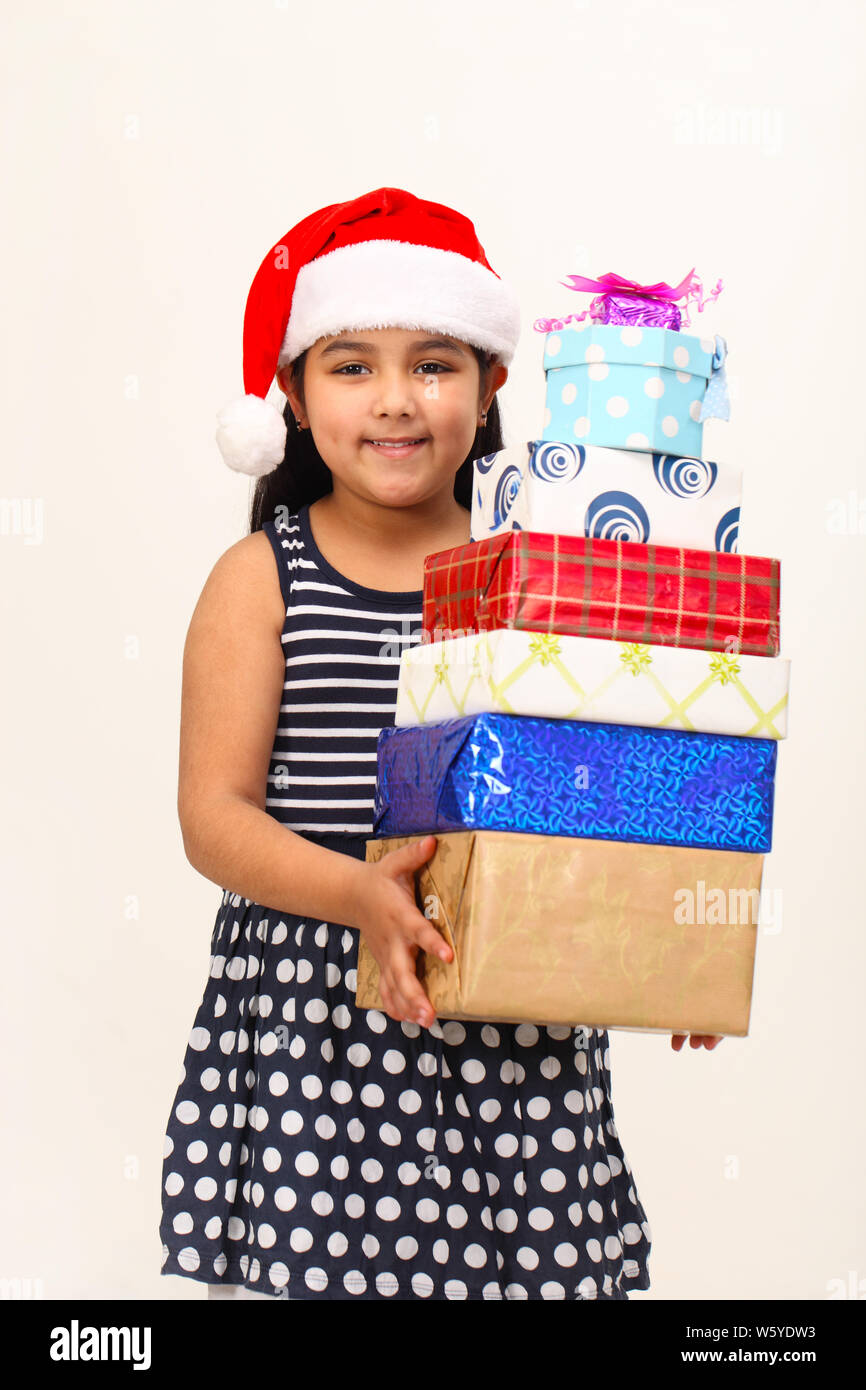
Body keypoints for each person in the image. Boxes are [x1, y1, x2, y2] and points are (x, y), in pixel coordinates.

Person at [159, 186, 715, 1302]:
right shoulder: (261, 577)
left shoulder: (541, 567)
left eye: (433, 363)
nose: (394, 401)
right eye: (351, 365)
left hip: (502, 1007)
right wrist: (361, 895)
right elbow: (212, 819)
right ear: (293, 400)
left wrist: (669, 934)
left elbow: (616, 758)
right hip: (321, 1024)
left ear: (492, 382)